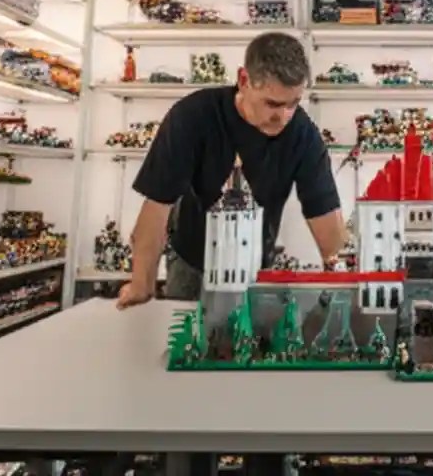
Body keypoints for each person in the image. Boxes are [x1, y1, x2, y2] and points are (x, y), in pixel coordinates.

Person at [117, 32, 346, 307]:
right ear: (244, 80)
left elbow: (327, 222)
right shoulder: (192, 117)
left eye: (293, 103)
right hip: (192, 259)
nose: (283, 117)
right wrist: (142, 285)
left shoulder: (303, 135)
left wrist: (343, 284)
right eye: (272, 104)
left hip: (255, 265)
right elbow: (156, 207)